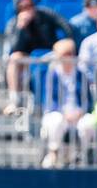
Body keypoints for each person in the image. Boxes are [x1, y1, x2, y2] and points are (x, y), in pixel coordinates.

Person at [3, 0, 73, 115]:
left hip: (50, 54)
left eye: (30, 5)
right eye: (23, 7)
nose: (28, 9)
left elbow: (64, 25)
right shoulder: (13, 23)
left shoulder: (45, 14)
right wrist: (21, 27)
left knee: (64, 53)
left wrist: (67, 42)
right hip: (28, 58)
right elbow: (14, 49)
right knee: (15, 58)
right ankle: (15, 101)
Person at [40, 39, 93, 168]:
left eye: (70, 54)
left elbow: (88, 99)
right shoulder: (52, 74)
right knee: (56, 121)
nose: (68, 58)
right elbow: (49, 100)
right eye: (65, 55)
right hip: (57, 112)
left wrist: (81, 111)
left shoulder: (81, 75)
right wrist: (64, 113)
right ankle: (53, 153)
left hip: (78, 113)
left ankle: (82, 155)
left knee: (89, 122)